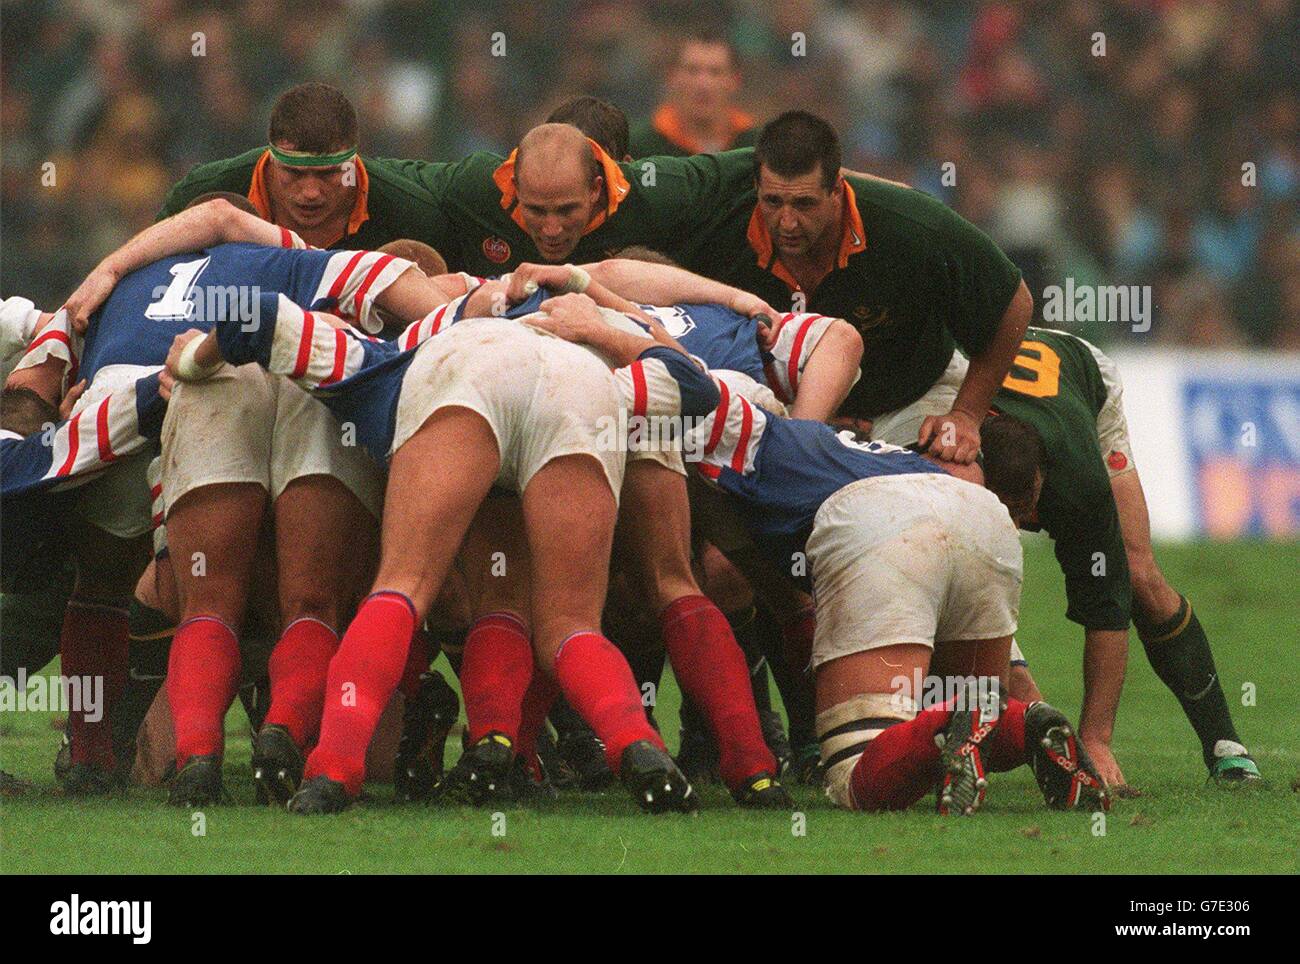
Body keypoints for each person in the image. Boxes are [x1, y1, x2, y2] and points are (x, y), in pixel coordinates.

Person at [164, 282, 722, 815]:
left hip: (460, 372)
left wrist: (191, 363)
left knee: (403, 588)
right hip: (584, 381)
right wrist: (611, 335)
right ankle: (637, 745)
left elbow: (255, 314)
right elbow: (698, 388)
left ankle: (331, 771)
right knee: (571, 626)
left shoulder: (380, 350)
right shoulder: (581, 340)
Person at [986, 329, 1260, 789]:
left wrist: (1096, 738)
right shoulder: (945, 456)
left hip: (1080, 377)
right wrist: (1033, 705)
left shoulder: (1081, 482)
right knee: (969, 573)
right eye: (1007, 512)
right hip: (990, 403)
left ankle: (1225, 747)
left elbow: (1108, 609)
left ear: (1046, 479)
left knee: (1137, 575)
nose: (1020, 525)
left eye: (1026, 509)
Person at [157, 82, 452, 253]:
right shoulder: (203, 196)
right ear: (270, 159)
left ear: (353, 162)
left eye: (328, 174)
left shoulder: (413, 217)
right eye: (294, 173)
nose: (311, 192)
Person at [629, 31, 757, 157]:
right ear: (671, 76)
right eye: (692, 71)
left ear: (735, 80)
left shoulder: (756, 147)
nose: (703, 84)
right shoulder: (639, 147)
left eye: (715, 72)